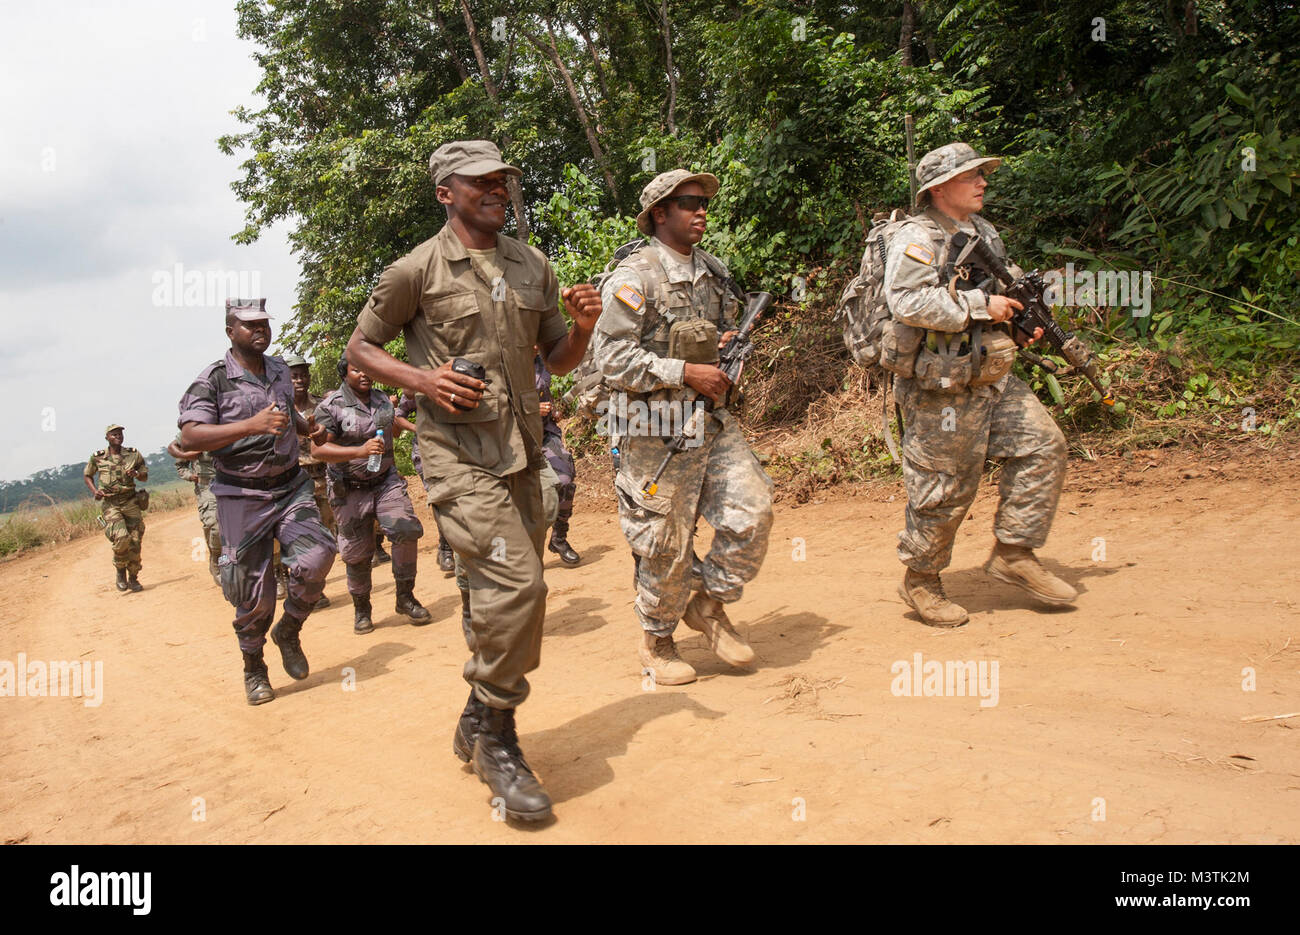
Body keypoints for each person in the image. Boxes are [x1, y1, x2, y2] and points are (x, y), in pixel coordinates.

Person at [344, 139, 602, 822]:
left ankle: (474, 711)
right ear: (445, 193)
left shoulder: (530, 264)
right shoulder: (415, 271)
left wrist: (582, 327)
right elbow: (360, 348)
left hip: (522, 453)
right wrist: (422, 378)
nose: (496, 187)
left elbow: (561, 358)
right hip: (457, 455)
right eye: (479, 180)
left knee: (505, 594)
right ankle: (498, 740)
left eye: (503, 178)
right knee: (521, 582)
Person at [883, 142, 1077, 628]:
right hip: (938, 383)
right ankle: (921, 579)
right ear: (940, 187)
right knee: (945, 486)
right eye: (972, 175)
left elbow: (1002, 292)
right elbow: (905, 302)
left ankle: (1014, 552)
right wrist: (977, 306)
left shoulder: (983, 231)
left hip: (989, 373)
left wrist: (1017, 319)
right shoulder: (917, 236)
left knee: (1043, 446)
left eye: (982, 174)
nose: (983, 182)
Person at [592, 169, 773, 686]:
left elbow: (716, 338)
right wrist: (683, 370)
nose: (701, 211)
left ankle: (710, 604)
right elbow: (611, 359)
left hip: (709, 420)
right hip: (652, 425)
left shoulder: (714, 274)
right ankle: (659, 641)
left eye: (704, 203)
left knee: (753, 509)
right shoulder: (635, 278)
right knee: (665, 542)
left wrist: (727, 348)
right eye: (689, 203)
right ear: (659, 214)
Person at [178, 298, 337, 706]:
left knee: (318, 554)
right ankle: (254, 667)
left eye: (264, 323)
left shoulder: (281, 369)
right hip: (241, 495)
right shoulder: (212, 380)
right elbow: (191, 436)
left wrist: (308, 429)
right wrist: (251, 425)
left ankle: (289, 630)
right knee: (254, 596)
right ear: (230, 331)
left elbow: (286, 412)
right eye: (250, 325)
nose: (260, 330)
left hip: (290, 487)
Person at [312, 353, 430, 633]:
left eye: (368, 370)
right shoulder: (330, 407)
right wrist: (359, 450)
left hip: (385, 481)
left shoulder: (381, 400)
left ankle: (405, 597)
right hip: (348, 488)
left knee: (405, 529)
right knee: (357, 553)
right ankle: (362, 608)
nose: (364, 374)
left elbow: (393, 434)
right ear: (344, 374)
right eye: (356, 370)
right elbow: (318, 450)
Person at [284, 352, 332, 609]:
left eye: (303, 375)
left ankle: (312, 583)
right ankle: (305, 587)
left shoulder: (321, 406)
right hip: (293, 482)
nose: (300, 380)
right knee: (299, 536)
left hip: (321, 477)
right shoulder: (279, 409)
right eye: (294, 376)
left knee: (324, 535)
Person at [394, 390, 456, 575]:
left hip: (455, 450)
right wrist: (417, 428)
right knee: (440, 500)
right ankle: (446, 550)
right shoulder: (419, 385)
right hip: (427, 453)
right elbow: (398, 417)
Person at [84, 424, 148, 592]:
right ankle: (120, 570)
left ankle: (133, 578)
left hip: (130, 501)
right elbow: (87, 475)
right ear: (107, 438)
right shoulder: (98, 457)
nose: (118, 436)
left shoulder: (133, 454)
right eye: (114, 434)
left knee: (135, 541)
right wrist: (95, 491)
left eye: (120, 434)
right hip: (111, 504)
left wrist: (136, 474)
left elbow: (144, 476)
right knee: (121, 537)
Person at [534, 351, 581, 565]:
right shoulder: (502, 363)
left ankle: (559, 538)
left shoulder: (540, 362)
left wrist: (551, 411)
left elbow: (543, 391)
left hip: (545, 435)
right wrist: (531, 410)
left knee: (565, 481)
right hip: (515, 441)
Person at [167, 432, 220, 585]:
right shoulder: (194, 430)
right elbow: (180, 464)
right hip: (208, 487)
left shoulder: (230, 421)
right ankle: (216, 558)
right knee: (215, 524)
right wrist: (191, 476)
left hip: (233, 483)